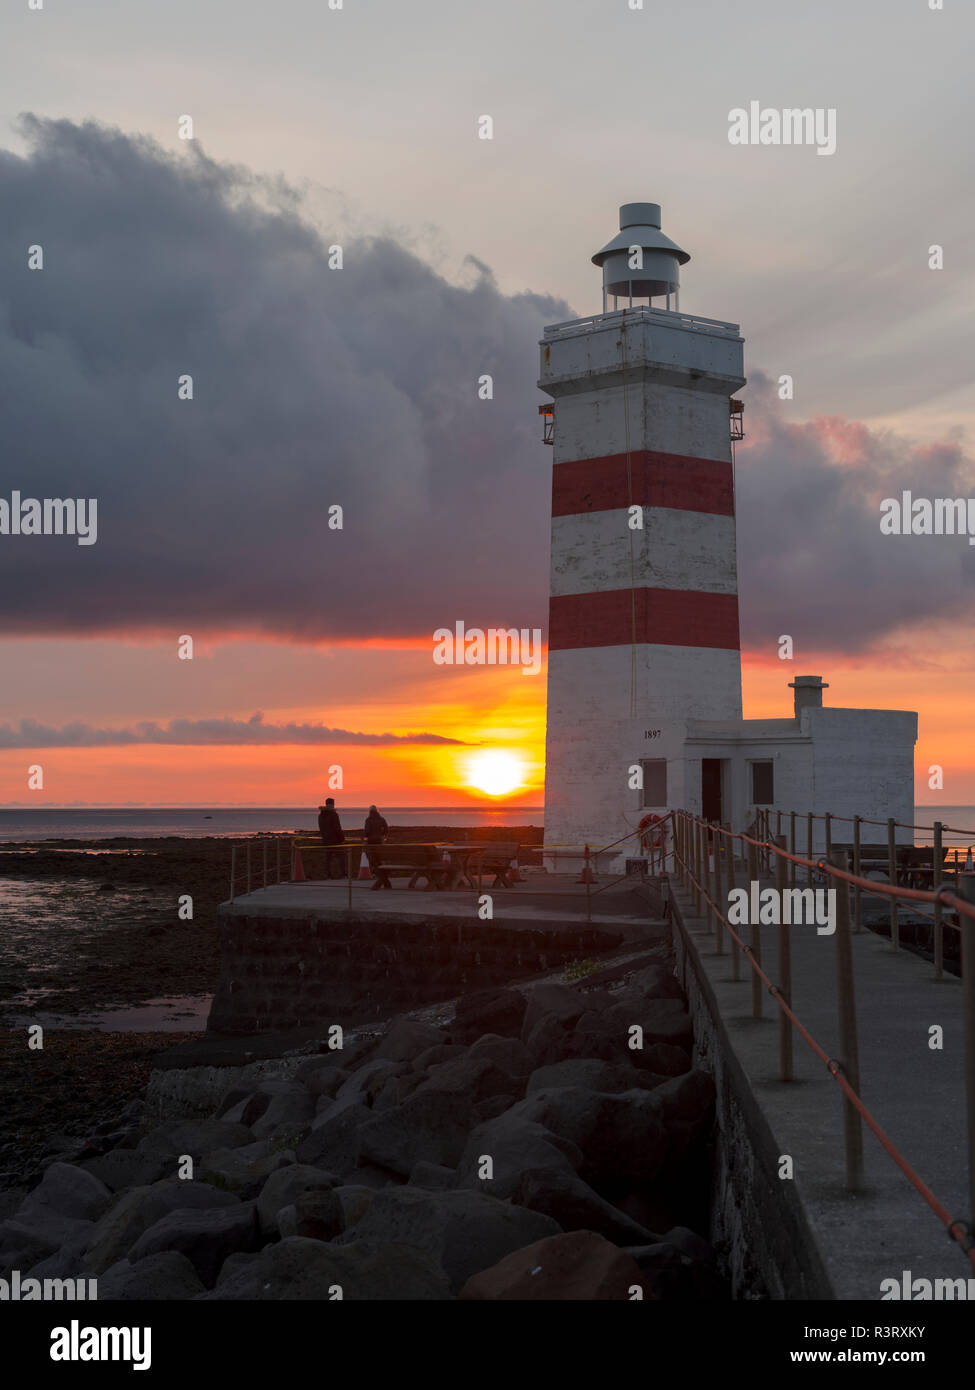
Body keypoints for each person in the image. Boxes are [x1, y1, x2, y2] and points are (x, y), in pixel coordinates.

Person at [317, 797, 345, 878]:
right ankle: (343, 874)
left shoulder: (321, 816)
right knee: (341, 857)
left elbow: (321, 828)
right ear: (332, 805)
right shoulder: (334, 815)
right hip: (335, 840)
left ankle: (328, 874)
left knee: (328, 859)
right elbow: (337, 828)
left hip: (326, 840)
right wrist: (342, 838)